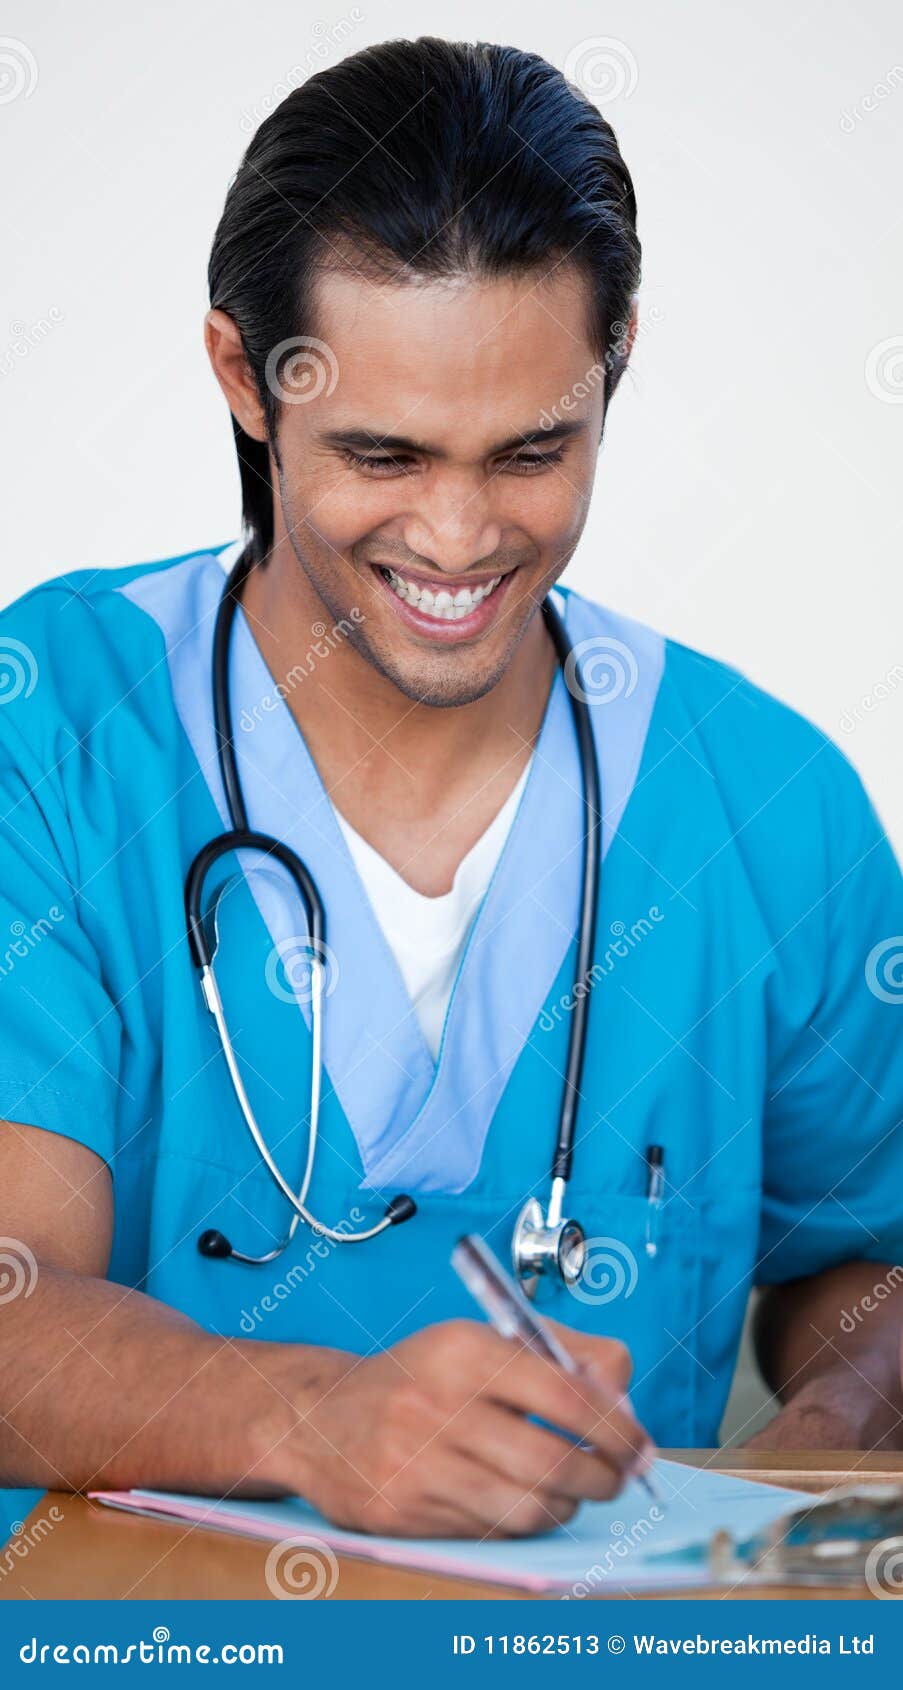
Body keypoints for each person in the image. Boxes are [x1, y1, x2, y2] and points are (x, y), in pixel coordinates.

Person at [1, 36, 902, 1550]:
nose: (460, 536)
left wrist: (834, 1433)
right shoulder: (55, 734)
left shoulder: (764, 802)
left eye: (533, 450)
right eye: (382, 451)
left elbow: (866, 1264)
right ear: (246, 376)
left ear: (613, 355)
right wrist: (314, 1415)